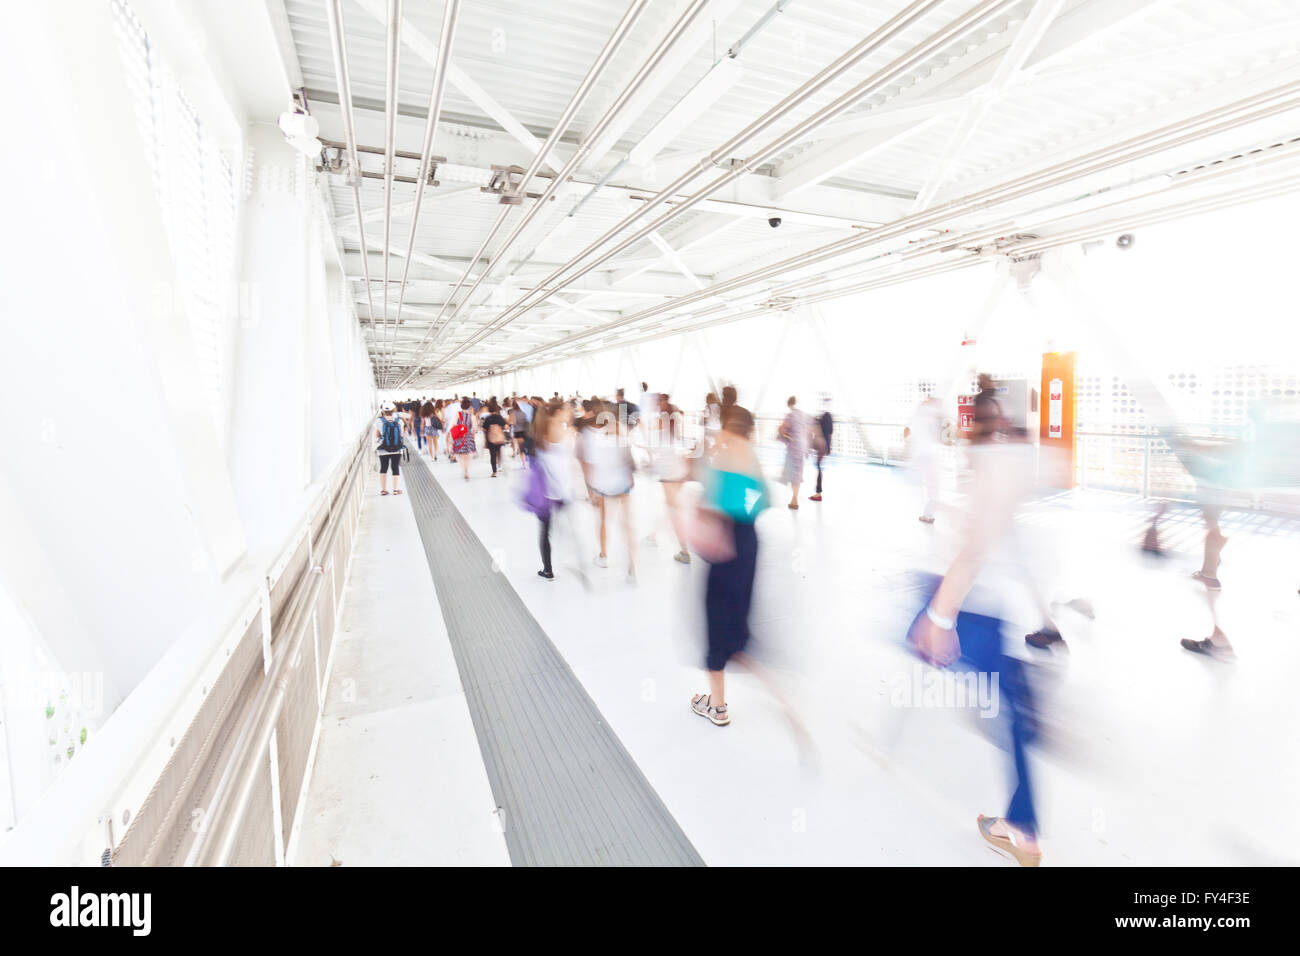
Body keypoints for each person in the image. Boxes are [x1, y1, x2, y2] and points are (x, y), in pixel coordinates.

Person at [906, 426, 1045, 865]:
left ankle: (1022, 831)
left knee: (912, 623)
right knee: (1015, 719)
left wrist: (937, 619)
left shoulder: (991, 482)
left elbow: (970, 556)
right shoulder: (1018, 483)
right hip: (1008, 618)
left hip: (984, 615)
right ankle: (1024, 831)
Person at [690, 406, 770, 727]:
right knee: (735, 621)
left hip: (724, 550)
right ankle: (731, 669)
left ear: (726, 428)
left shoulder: (723, 461)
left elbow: (707, 504)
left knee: (715, 625)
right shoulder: (753, 460)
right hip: (748, 547)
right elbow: (760, 502)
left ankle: (717, 705)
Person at [581, 401, 637, 582]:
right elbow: (630, 461)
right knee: (627, 523)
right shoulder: (623, 434)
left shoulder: (596, 438)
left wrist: (591, 489)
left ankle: (604, 556)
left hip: (605, 485)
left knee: (605, 520)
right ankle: (632, 565)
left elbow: (593, 464)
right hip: (623, 483)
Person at [648, 393, 692, 564]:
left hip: (668, 472)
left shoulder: (659, 422)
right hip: (680, 469)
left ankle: (685, 551)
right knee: (670, 505)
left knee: (674, 511)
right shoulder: (675, 421)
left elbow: (653, 446)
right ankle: (654, 534)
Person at [909, 396, 946, 523]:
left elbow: (908, 431)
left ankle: (929, 512)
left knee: (925, 484)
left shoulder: (920, 414)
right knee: (933, 484)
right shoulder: (935, 415)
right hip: (932, 454)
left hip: (922, 454)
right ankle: (930, 512)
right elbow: (941, 434)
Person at [777, 395, 811, 509]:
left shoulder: (790, 415)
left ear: (788, 404)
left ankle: (794, 500)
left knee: (793, 474)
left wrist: (787, 438)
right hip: (802, 447)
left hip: (793, 448)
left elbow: (781, 430)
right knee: (797, 473)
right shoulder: (803, 415)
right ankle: (794, 499)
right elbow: (808, 432)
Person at [375, 401, 404, 496]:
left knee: (383, 468)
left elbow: (377, 435)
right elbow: (401, 435)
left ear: (383, 411)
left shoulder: (379, 421)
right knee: (395, 467)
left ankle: (383, 490)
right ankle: (395, 490)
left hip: (383, 448)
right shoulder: (399, 421)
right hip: (397, 448)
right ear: (394, 410)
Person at [809, 395, 833, 502]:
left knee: (818, 465)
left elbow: (815, 430)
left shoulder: (822, 418)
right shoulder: (829, 417)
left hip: (820, 443)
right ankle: (818, 492)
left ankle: (818, 493)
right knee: (818, 465)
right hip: (823, 444)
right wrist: (829, 446)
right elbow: (831, 433)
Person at [450, 396, 477, 481]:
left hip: (459, 437)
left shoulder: (458, 414)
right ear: (469, 406)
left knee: (460, 456)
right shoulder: (472, 416)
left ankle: (464, 469)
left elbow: (454, 425)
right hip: (468, 437)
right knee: (467, 456)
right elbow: (474, 429)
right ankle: (467, 471)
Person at [481, 399, 508, 478]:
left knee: (492, 455)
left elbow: (484, 429)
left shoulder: (488, 418)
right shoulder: (499, 417)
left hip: (491, 439)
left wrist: (485, 439)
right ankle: (499, 465)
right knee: (499, 451)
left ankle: (494, 472)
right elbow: (506, 426)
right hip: (499, 438)